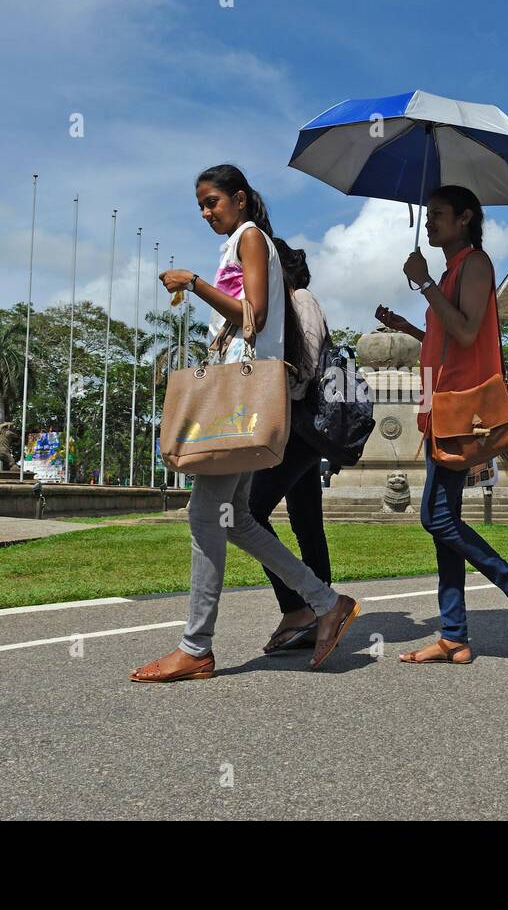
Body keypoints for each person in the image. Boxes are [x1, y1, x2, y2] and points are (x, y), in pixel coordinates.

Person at [131, 165, 359, 683]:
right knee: (235, 519)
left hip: (240, 396)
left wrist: (193, 284)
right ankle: (326, 602)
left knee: (203, 516)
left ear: (239, 199)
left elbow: (251, 314)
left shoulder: (251, 238)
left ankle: (195, 647)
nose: (206, 212)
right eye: (200, 206)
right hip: (240, 392)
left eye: (212, 202)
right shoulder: (240, 240)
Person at [375, 184, 508, 665]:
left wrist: (424, 282)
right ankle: (454, 633)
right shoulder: (454, 269)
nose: (430, 222)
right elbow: (446, 337)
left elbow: (468, 330)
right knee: (442, 523)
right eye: (428, 215)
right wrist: (409, 328)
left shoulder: (475, 264)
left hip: (460, 412)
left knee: (434, 518)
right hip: (442, 410)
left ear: (465, 218)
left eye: (438, 215)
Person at [247, 240, 334, 654]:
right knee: (305, 520)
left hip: (300, 427)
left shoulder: (302, 300)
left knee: (249, 511)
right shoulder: (283, 308)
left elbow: (308, 369)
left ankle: (300, 606)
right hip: (293, 426)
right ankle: (321, 612)